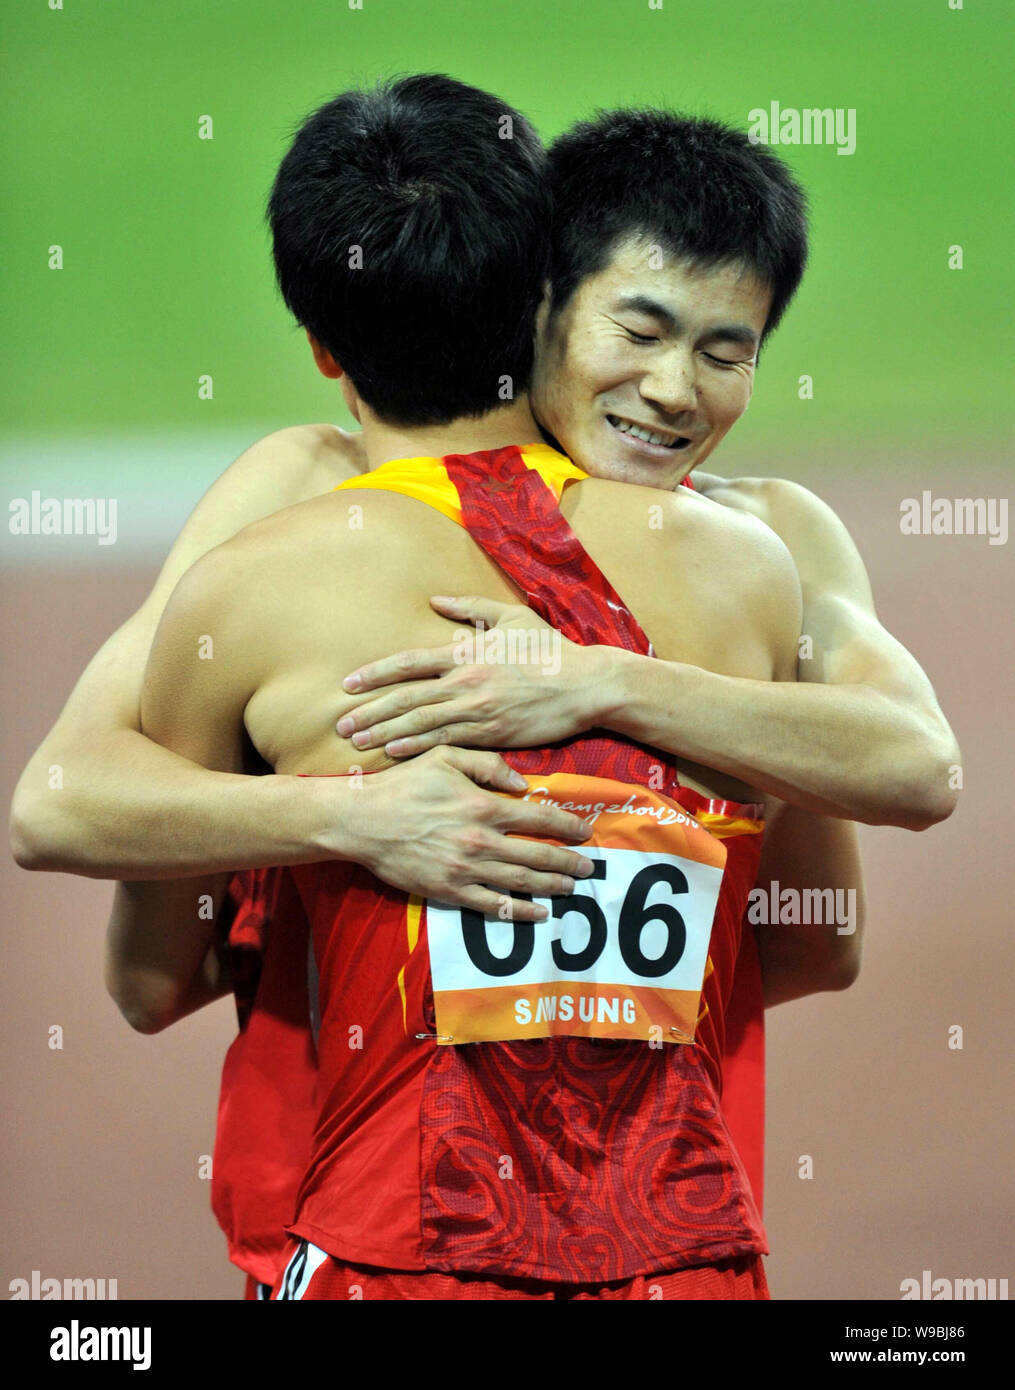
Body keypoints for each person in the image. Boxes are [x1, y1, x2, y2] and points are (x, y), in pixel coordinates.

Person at [8, 84, 959, 1296]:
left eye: (726, 350)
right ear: (536, 298)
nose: (673, 389)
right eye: (642, 331)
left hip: (364, 1239)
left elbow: (145, 964)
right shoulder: (758, 559)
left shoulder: (289, 518)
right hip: (678, 1249)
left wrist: (589, 692)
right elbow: (817, 939)